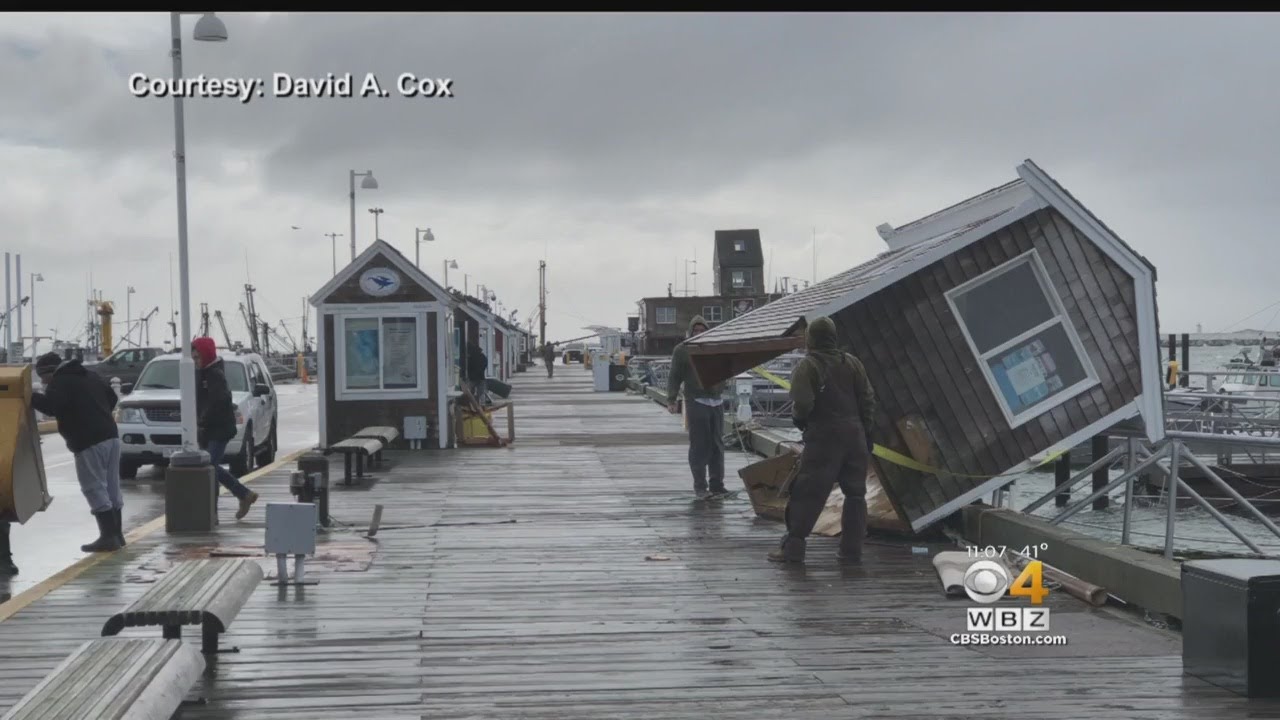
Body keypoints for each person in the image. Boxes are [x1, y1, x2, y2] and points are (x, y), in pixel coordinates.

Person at [768, 316, 876, 565]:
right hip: (855, 436)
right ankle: (851, 551)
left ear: (811, 339)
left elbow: (802, 403)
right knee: (856, 495)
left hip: (825, 437)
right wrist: (866, 431)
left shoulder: (809, 366)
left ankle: (793, 549)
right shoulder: (853, 363)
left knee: (808, 492)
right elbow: (868, 399)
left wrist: (801, 421)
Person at [32, 351, 125, 552]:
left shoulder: (60, 381)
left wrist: (29, 396)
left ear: (50, 372)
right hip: (111, 435)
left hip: (88, 440)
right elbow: (111, 398)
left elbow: (51, 407)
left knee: (93, 487)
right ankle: (118, 535)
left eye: (43, 377)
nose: (44, 382)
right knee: (112, 487)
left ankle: (108, 537)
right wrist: (96, 412)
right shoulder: (90, 375)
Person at [192, 337, 258, 520]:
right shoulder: (204, 372)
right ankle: (239, 497)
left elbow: (220, 401)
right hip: (209, 429)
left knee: (209, 466)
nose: (195, 361)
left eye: (197, 357)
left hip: (218, 429)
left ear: (206, 355)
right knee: (210, 467)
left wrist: (203, 418)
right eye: (194, 358)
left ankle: (234, 499)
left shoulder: (214, 374)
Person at [666, 315, 727, 498]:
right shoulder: (682, 350)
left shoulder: (716, 347)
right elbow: (674, 376)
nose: (699, 333)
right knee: (700, 445)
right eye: (696, 330)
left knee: (717, 445)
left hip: (717, 401)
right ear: (690, 332)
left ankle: (717, 484)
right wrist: (671, 399)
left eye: (702, 330)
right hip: (696, 400)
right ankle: (700, 486)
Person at [464, 339, 490, 404]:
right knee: (481, 393)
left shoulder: (470, 358)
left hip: (472, 378)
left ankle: (470, 404)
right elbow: (485, 365)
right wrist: (481, 370)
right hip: (481, 377)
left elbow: (468, 367)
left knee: (469, 393)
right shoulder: (483, 357)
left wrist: (470, 374)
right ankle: (482, 405)